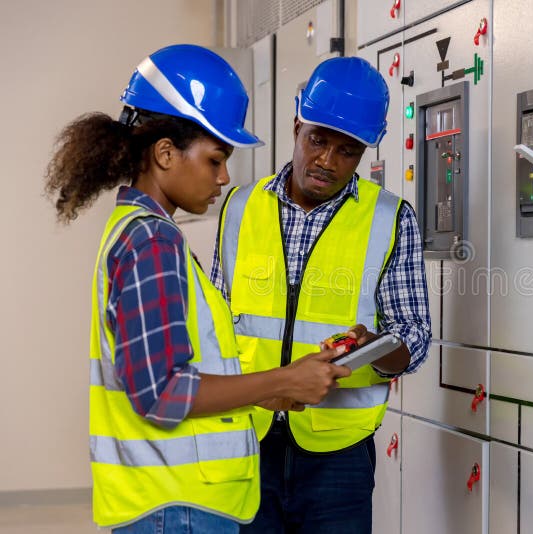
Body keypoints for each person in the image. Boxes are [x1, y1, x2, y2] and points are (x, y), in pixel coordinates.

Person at [43, 44, 351, 533]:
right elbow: (161, 393)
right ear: (165, 153)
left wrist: (263, 394)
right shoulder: (151, 241)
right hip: (177, 509)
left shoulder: (142, 232)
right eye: (215, 159)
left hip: (170, 504)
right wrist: (280, 381)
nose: (225, 177)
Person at [210, 56, 432, 533]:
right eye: (317, 140)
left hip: (339, 454)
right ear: (297, 126)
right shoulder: (240, 206)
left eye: (347, 151)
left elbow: (413, 335)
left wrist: (376, 346)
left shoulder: (391, 218)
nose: (328, 161)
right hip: (246, 432)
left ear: (364, 153)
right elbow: (215, 320)